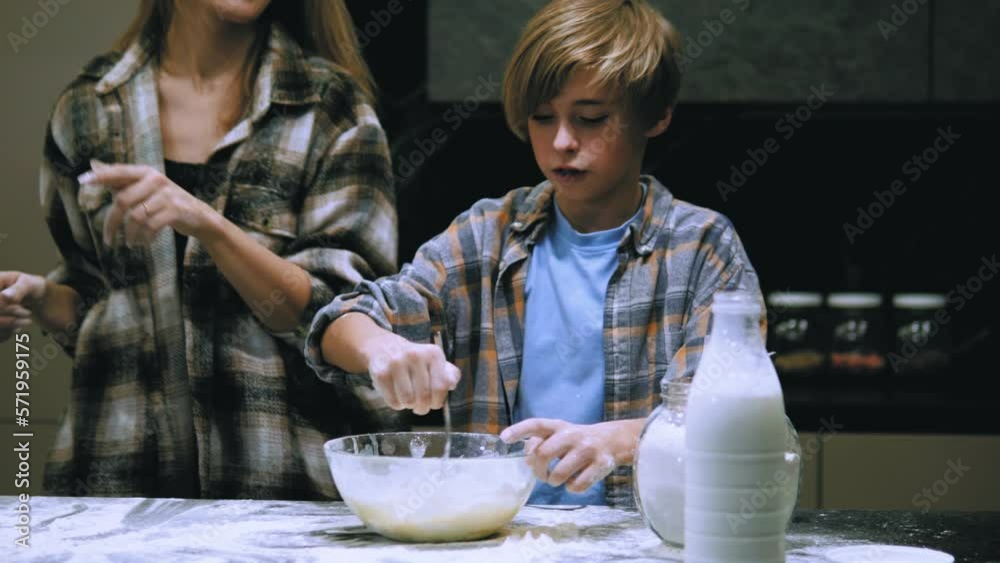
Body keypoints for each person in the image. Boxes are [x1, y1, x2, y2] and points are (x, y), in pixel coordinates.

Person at [305, 0, 764, 507]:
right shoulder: (488, 234)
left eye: (591, 119)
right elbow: (339, 321)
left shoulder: (700, 247)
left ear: (655, 116)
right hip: (499, 536)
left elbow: (728, 412)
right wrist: (381, 350)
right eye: (543, 119)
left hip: (642, 538)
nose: (562, 141)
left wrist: (618, 441)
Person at [0, 0, 400, 500]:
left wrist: (209, 226)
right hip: (114, 478)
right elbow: (98, 304)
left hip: (275, 486)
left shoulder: (330, 109)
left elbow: (341, 315)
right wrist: (40, 300)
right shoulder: (88, 108)